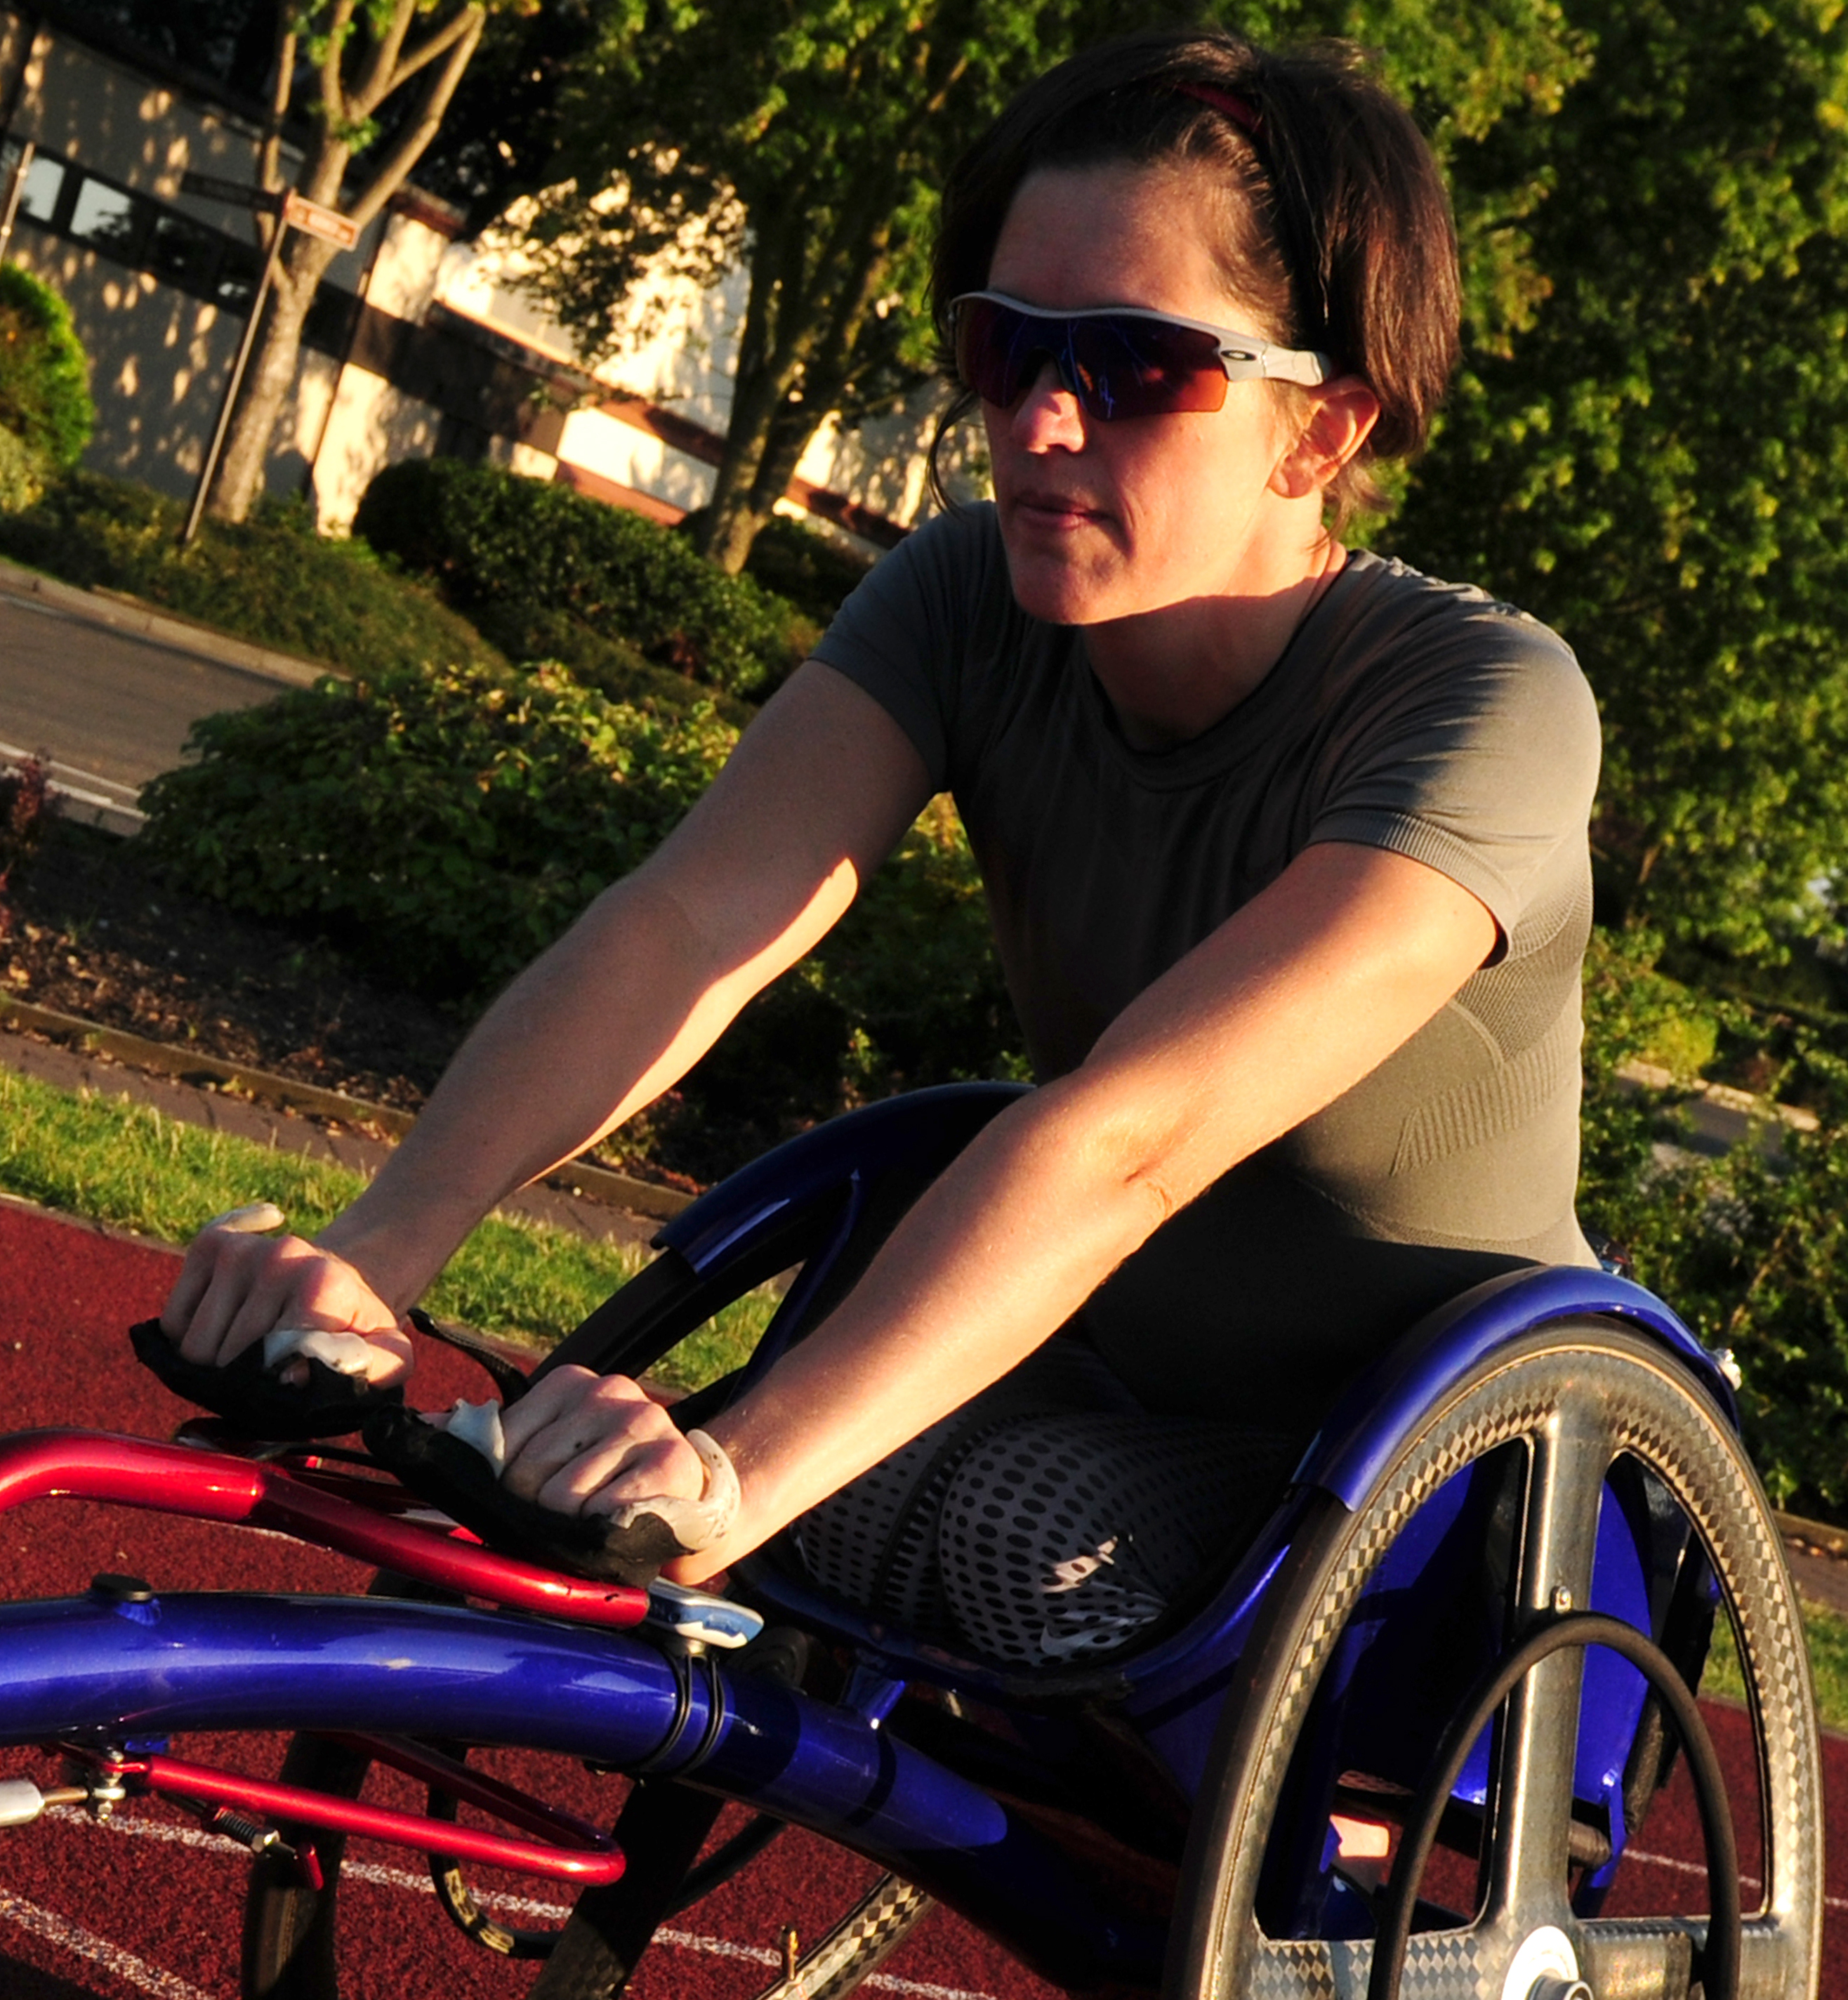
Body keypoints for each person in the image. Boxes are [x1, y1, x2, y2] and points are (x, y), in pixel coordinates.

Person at [153, 25, 1601, 1667]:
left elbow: (1131, 1138)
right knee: (576, 1464)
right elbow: (687, 926)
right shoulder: (960, 594)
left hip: (1407, 1494)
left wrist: (734, 1475)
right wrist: (372, 1262)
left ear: (1321, 429)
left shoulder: (1488, 703)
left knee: (961, 1519)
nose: (1040, 420)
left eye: (1130, 365)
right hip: (1094, 1377)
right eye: (1001, 347)